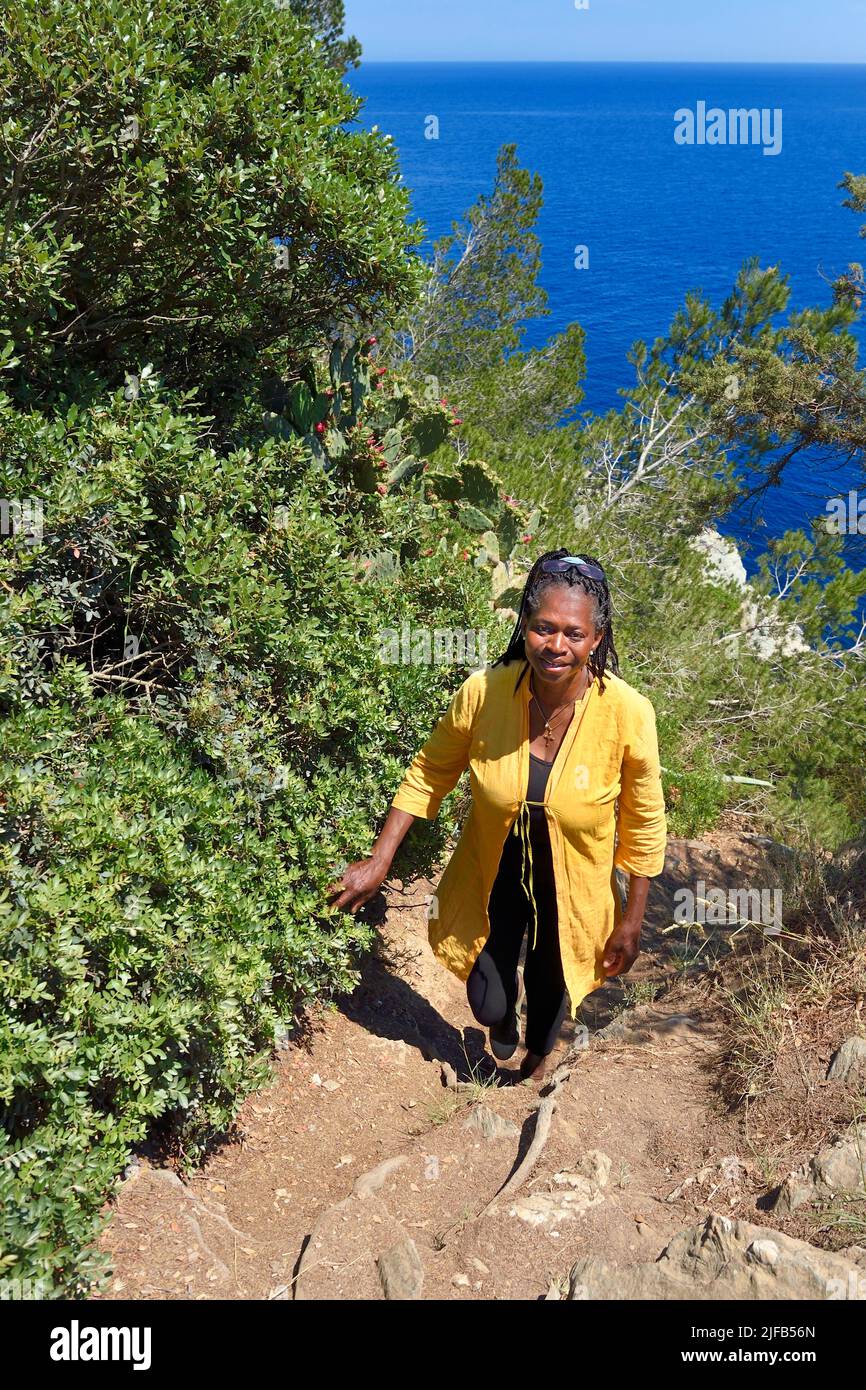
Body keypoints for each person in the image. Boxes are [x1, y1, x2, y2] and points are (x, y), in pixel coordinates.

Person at [325, 550, 667, 1084]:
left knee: (554, 986)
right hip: (495, 871)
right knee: (488, 1001)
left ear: (596, 639)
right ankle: (503, 1021)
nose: (556, 645)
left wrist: (631, 921)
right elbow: (429, 772)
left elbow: (644, 823)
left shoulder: (627, 713)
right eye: (543, 628)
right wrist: (379, 859)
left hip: (574, 885)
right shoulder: (484, 693)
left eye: (573, 634)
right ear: (525, 627)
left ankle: (538, 1054)